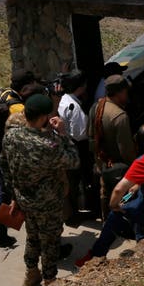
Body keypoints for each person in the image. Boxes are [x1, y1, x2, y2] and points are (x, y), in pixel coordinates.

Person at [75, 122, 144, 266]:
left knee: (115, 215)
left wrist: (113, 206)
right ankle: (138, 231)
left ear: (140, 143)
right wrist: (138, 184)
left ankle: (96, 254)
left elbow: (118, 189)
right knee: (130, 196)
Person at [0, 94, 76, 286]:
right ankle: (49, 281)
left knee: (32, 236)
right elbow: (74, 160)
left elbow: (6, 168)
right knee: (50, 240)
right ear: (43, 117)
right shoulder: (48, 144)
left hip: (24, 199)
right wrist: (63, 133)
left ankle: (30, 274)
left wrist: (14, 196)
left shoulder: (10, 136)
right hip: (48, 202)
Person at [0, 68, 35, 248]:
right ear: (25, 87)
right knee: (6, 195)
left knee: (3, 193)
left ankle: (0, 234)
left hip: (1, 153)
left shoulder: (6, 94)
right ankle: (0, 235)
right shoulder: (17, 107)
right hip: (9, 157)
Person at [88, 74, 137, 220]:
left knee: (105, 194)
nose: (127, 94)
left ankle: (107, 223)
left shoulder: (96, 107)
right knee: (126, 196)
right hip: (119, 169)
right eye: (126, 91)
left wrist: (99, 163)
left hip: (103, 164)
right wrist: (135, 170)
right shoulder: (120, 116)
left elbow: (91, 137)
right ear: (120, 93)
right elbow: (126, 150)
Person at [58, 69, 93, 217]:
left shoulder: (64, 99)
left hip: (67, 144)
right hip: (78, 147)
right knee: (80, 178)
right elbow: (80, 134)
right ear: (80, 87)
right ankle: (78, 211)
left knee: (72, 181)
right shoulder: (75, 107)